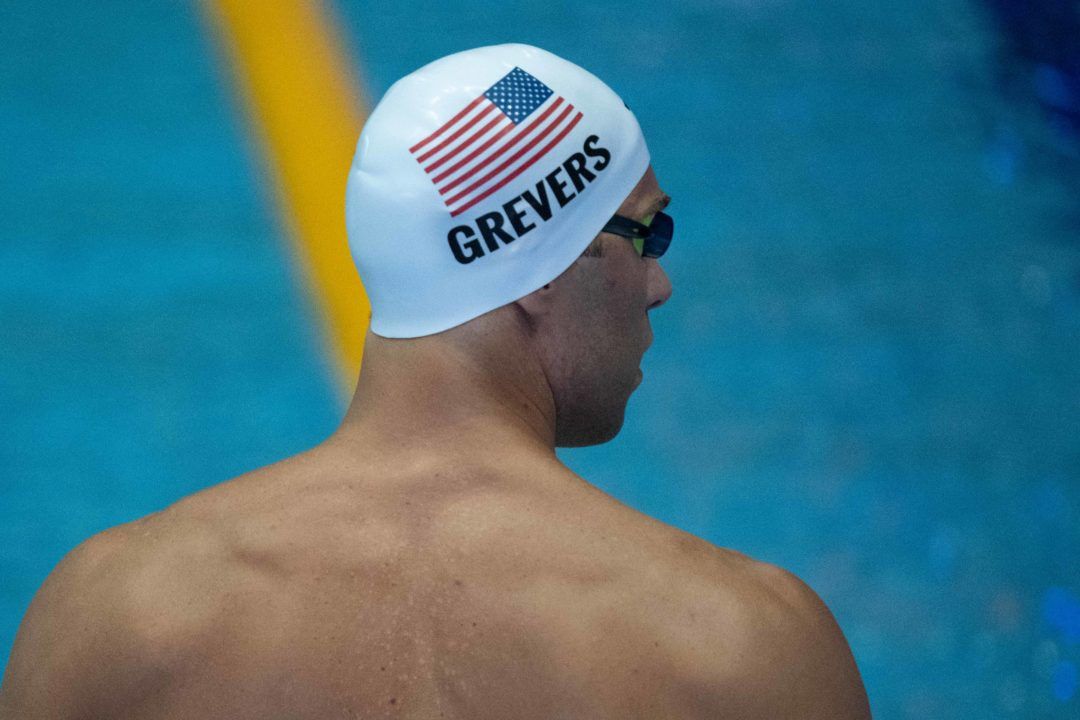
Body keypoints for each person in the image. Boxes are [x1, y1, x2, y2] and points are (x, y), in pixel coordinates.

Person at [0, 44, 871, 718]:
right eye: (648, 232)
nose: (660, 281)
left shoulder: (113, 616)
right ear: (540, 264)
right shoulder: (737, 646)